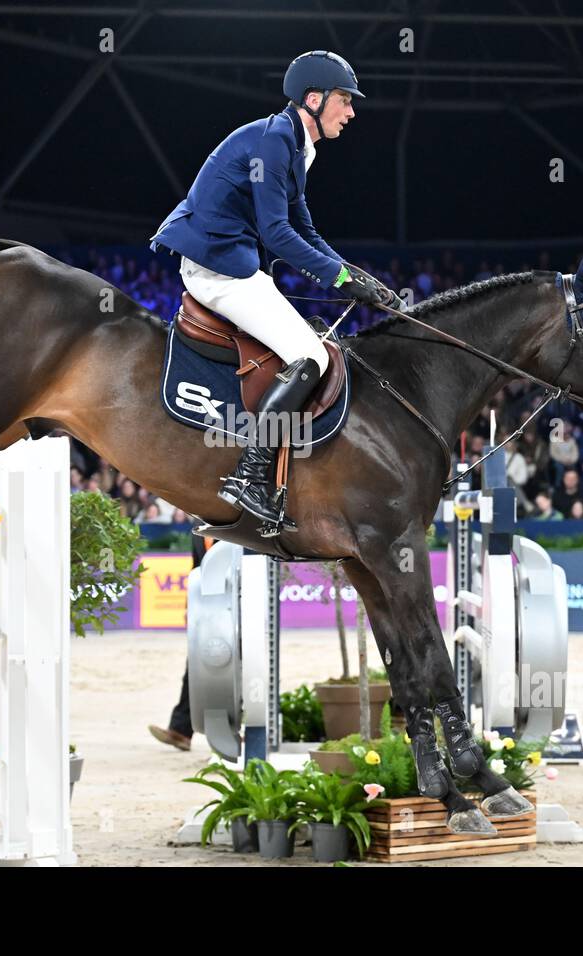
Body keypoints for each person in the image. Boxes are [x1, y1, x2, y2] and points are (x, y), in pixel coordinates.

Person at [149, 51, 399, 534]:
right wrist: (339, 279)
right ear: (314, 98)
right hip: (218, 268)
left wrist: (355, 275)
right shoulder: (274, 143)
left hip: (233, 261)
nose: (350, 112)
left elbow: (305, 228)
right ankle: (250, 474)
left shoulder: (294, 144)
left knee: (309, 348)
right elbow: (277, 234)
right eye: (344, 101)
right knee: (313, 356)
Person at [148, 533, 214, 751]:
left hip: (236, 604)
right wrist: (189, 605)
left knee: (236, 667)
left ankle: (237, 731)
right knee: (194, 667)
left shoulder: (238, 516)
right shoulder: (198, 527)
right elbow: (196, 568)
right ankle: (181, 730)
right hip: (206, 605)